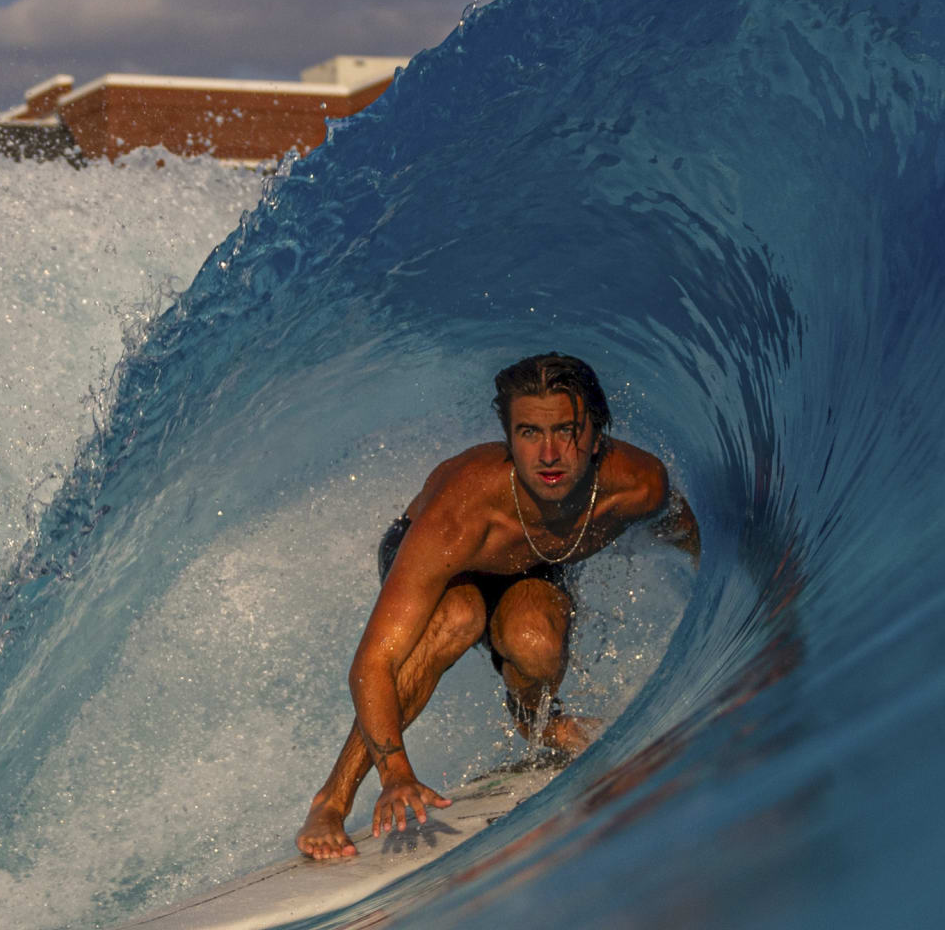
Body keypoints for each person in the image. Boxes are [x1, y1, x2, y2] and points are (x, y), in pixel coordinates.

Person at [297, 352, 697, 863]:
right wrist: (396, 775)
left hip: (531, 562)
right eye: (529, 433)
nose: (548, 454)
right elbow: (372, 664)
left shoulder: (639, 485)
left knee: (537, 644)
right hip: (447, 563)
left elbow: (689, 537)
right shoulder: (458, 515)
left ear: (597, 436)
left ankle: (539, 722)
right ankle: (331, 799)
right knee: (460, 617)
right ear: (509, 440)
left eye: (566, 432)